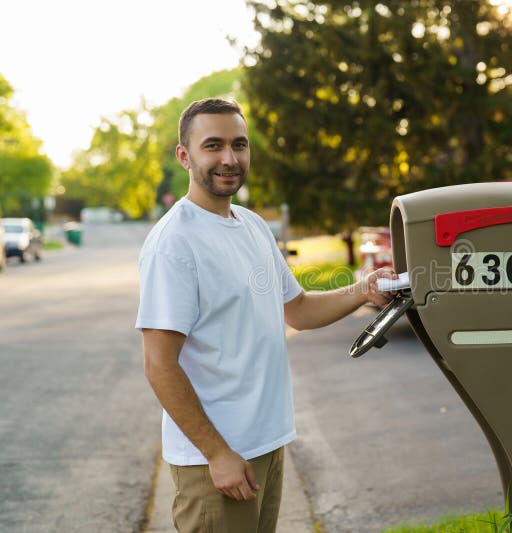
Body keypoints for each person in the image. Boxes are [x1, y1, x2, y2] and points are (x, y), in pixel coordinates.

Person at [135, 98, 394, 533]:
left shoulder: (252, 226)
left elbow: (297, 310)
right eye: (213, 146)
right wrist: (217, 454)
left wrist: (363, 290)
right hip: (215, 460)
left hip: (266, 445)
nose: (229, 159)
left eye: (239, 145)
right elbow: (158, 363)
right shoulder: (173, 244)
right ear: (185, 156)